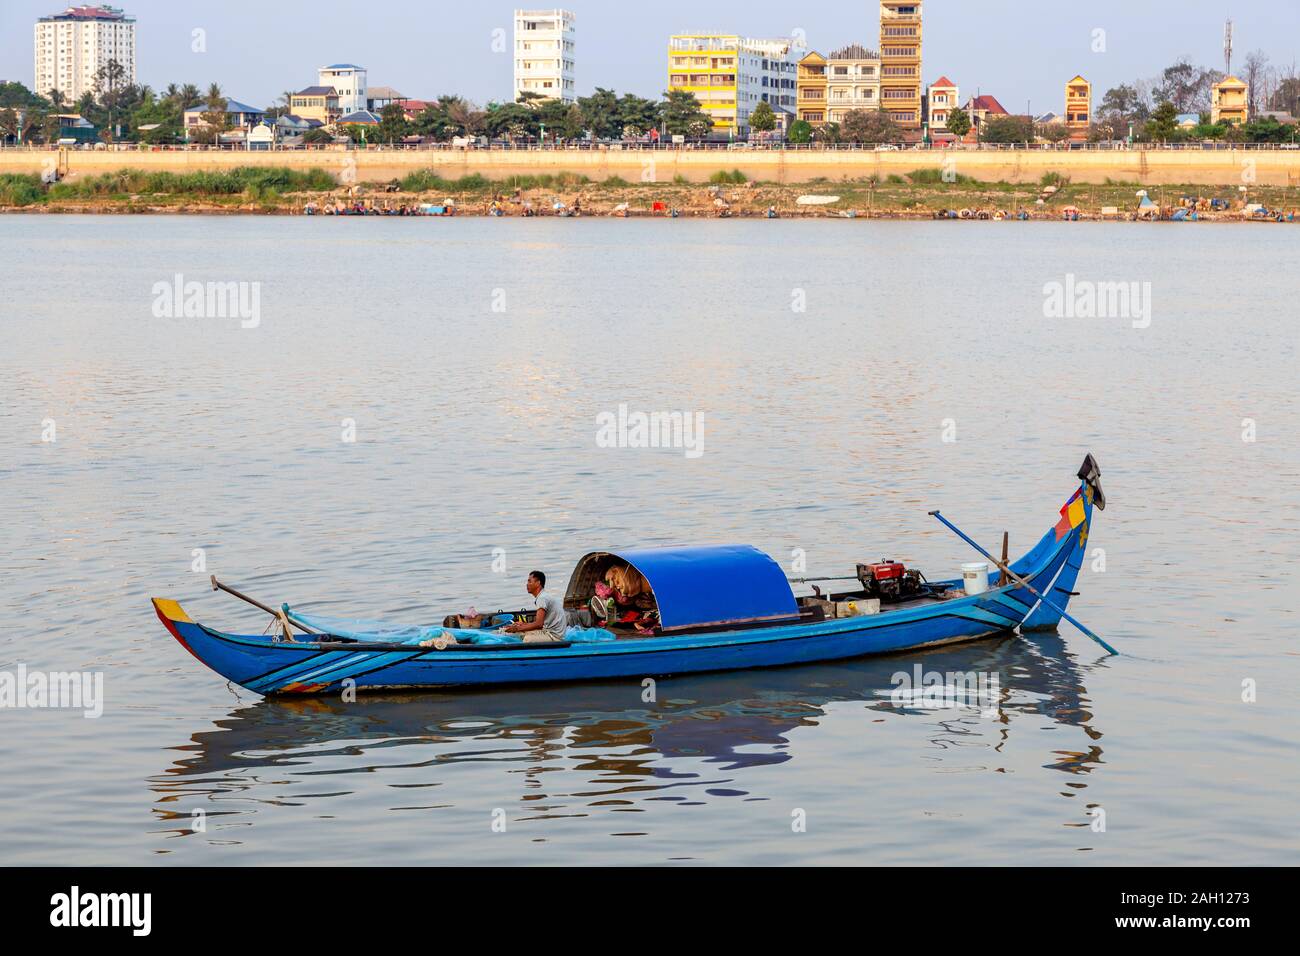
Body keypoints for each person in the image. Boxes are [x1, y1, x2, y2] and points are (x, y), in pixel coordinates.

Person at [504, 571, 569, 642]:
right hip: (547, 631)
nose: (527, 584)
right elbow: (541, 624)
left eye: (529, 581)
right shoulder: (542, 596)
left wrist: (517, 628)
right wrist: (523, 624)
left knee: (527, 639)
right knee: (519, 634)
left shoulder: (542, 598)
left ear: (538, 583)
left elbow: (539, 624)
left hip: (555, 636)